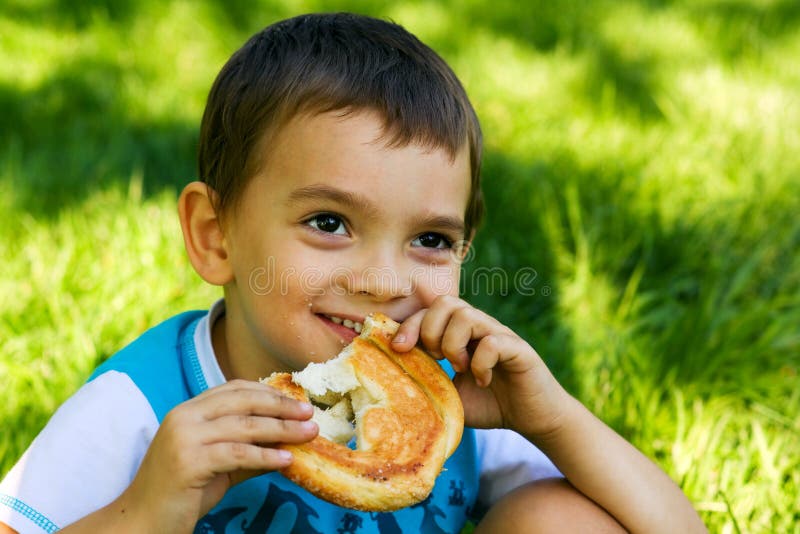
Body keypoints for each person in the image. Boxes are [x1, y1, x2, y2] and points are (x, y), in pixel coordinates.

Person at [0, 12, 706, 534]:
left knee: (560, 516)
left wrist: (549, 419)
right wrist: (145, 512)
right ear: (216, 238)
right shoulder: (141, 408)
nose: (383, 282)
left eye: (430, 238)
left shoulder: (446, 405)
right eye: (330, 223)